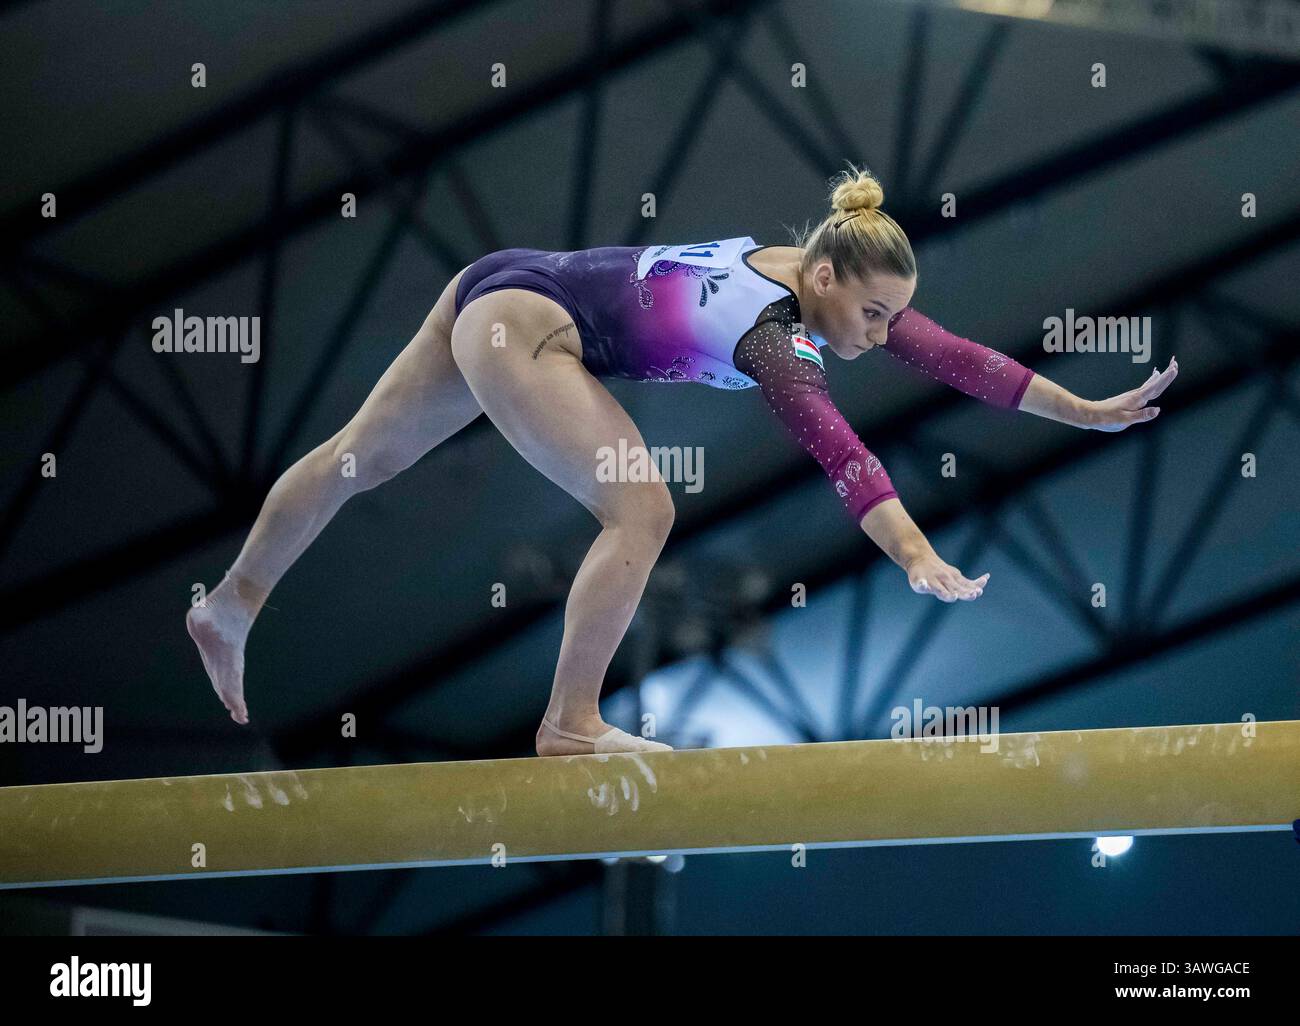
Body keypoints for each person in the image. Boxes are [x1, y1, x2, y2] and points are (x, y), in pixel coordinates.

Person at [187, 166, 1178, 755]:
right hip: (531, 324)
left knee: (358, 457)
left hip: (501, 288)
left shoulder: (821, 274)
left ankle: (228, 604)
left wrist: (1082, 409)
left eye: (890, 317)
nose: (881, 336)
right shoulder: (772, 341)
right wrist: (914, 554)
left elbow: (961, 361)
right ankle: (570, 718)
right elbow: (842, 452)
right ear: (824, 278)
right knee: (643, 511)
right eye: (871, 315)